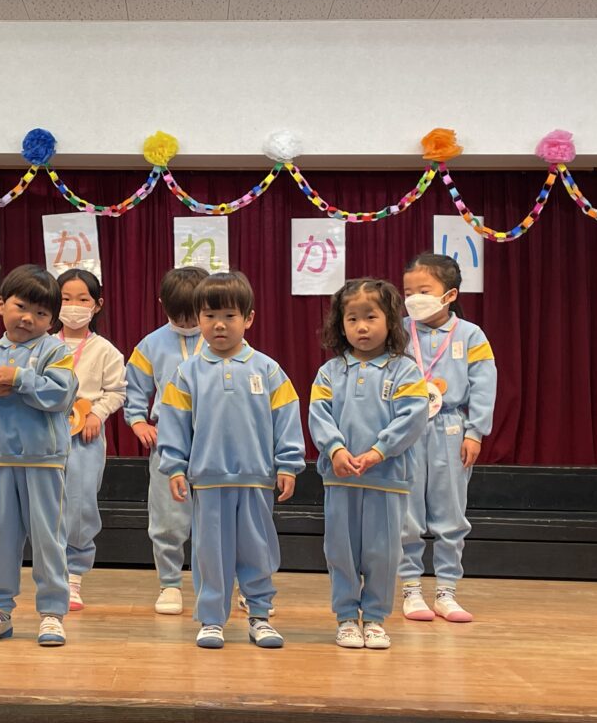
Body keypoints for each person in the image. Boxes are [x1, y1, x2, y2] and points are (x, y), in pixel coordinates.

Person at [158, 271, 303, 649]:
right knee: (210, 555)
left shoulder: (268, 370)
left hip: (256, 480)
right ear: (198, 318)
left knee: (258, 549)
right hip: (207, 481)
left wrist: (287, 463)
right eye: (209, 316)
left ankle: (259, 615)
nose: (218, 325)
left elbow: (286, 419)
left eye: (229, 316)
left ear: (249, 318)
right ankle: (211, 619)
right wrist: (174, 465)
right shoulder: (186, 373)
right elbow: (173, 425)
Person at [0, 264, 79, 647]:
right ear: (0, 305)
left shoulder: (56, 350)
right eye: (21, 307)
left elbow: (62, 396)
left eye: (41, 313)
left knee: (48, 540)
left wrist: (20, 379)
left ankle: (52, 613)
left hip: (44, 461)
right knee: (0, 540)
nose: (29, 318)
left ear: (52, 320)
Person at [308, 278, 428, 649]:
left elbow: (413, 416)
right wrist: (336, 450)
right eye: (352, 319)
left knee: (383, 553)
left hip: (386, 479)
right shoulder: (330, 372)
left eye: (371, 317)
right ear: (339, 324)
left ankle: (374, 618)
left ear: (391, 321)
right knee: (340, 552)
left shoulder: (404, 371)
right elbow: (319, 415)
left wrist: (378, 451)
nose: (361, 327)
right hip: (341, 480)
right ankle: (346, 617)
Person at [399, 253, 497, 623]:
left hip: (451, 429)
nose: (414, 298)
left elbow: (485, 385)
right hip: (405, 428)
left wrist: (476, 431)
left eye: (424, 290)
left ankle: (445, 590)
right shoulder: (397, 329)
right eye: (408, 291)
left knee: (450, 511)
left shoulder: (471, 336)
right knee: (407, 511)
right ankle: (410, 588)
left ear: (450, 294)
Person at [123, 266, 208, 615]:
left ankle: (224, 583)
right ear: (162, 306)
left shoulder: (224, 338)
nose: (187, 323)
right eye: (178, 316)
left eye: (193, 315)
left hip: (214, 439)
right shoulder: (151, 344)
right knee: (168, 515)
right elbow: (134, 390)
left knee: (219, 516)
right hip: (169, 437)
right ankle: (170, 583)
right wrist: (138, 420)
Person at [55, 269, 126, 611]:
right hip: (46, 435)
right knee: (47, 505)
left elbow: (117, 391)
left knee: (81, 505)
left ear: (97, 305)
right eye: (66, 299)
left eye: (82, 299)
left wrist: (98, 413)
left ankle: (74, 576)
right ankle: (50, 572)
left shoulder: (105, 350)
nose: (73, 306)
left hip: (85, 437)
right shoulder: (41, 345)